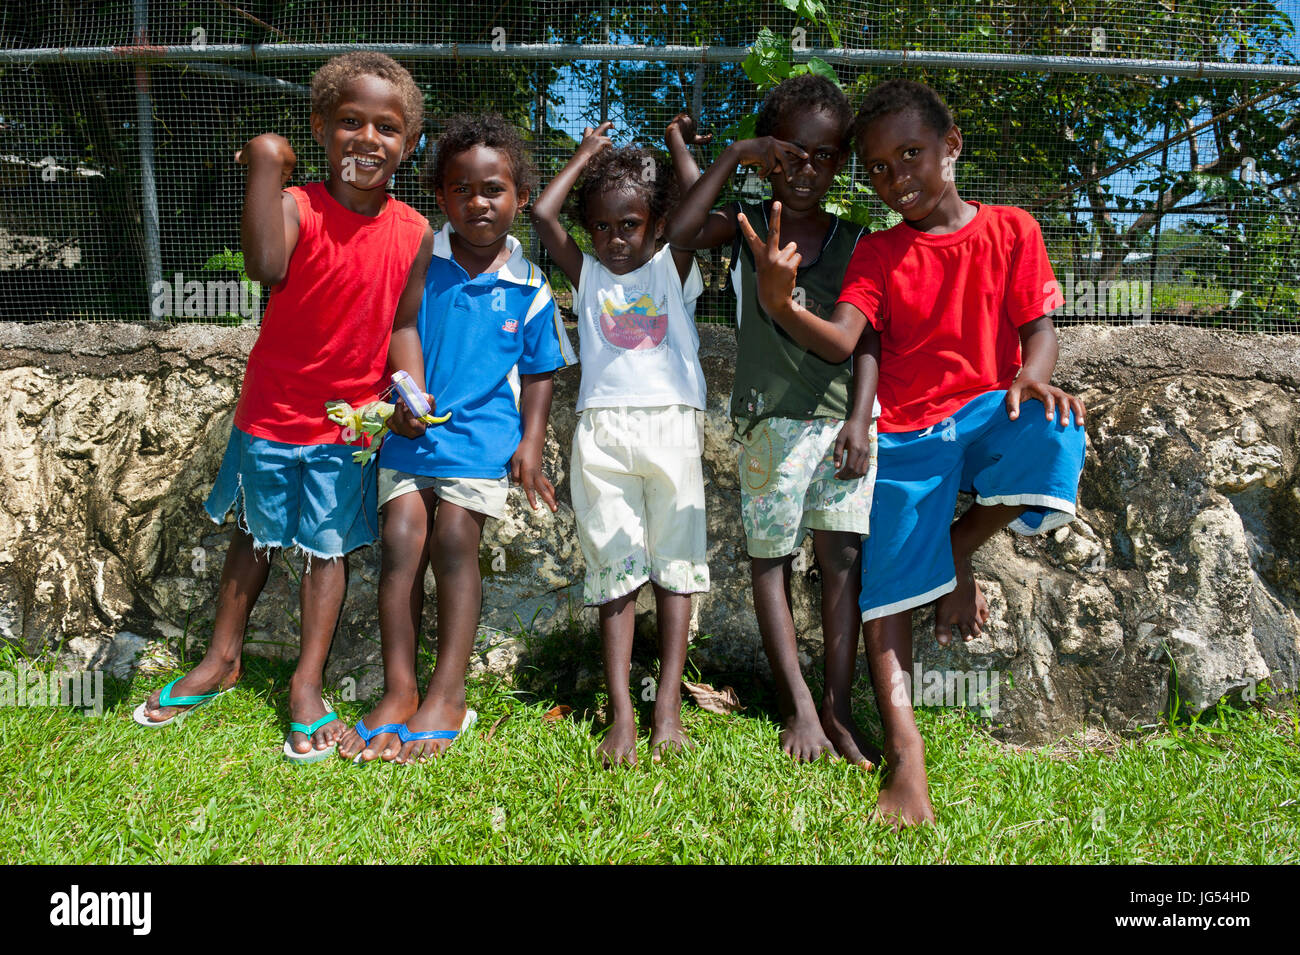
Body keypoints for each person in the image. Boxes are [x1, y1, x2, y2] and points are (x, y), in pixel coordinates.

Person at [737, 78, 1087, 825]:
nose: (896, 179)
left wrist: (1034, 377)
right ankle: (906, 753)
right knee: (882, 597)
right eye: (880, 168)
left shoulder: (1014, 230)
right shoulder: (878, 253)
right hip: (901, 434)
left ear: (952, 146)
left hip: (992, 408)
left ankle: (956, 552)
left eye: (911, 155)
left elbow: (1039, 328)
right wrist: (780, 303)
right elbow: (839, 339)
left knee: (1058, 430)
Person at [133, 54, 433, 763]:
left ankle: (307, 683)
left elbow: (404, 325)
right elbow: (265, 265)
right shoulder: (298, 206)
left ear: (410, 143)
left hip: (347, 425)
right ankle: (222, 658)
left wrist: (410, 391)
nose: (368, 138)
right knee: (256, 538)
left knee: (327, 552)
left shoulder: (416, 231)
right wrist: (267, 165)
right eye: (350, 121)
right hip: (271, 412)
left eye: (387, 127)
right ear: (320, 129)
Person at [338, 114, 576, 764]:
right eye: (462, 190)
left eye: (493, 189)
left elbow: (540, 372)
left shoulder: (530, 288)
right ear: (441, 198)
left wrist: (532, 444)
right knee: (401, 539)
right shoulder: (421, 257)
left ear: (521, 197)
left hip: (479, 445)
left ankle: (448, 691)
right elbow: (400, 324)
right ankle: (399, 690)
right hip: (411, 436)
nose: (479, 202)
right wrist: (406, 393)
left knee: (452, 538)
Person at [666, 75, 880, 765]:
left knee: (842, 562)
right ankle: (798, 705)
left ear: (842, 161)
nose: (806, 169)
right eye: (789, 152)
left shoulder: (858, 241)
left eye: (824, 155)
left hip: (840, 425)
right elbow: (679, 233)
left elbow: (863, 341)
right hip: (767, 427)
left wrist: (859, 419)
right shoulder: (748, 225)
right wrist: (734, 155)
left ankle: (840, 708)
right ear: (769, 151)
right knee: (771, 563)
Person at [527, 115, 712, 767]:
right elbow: (545, 212)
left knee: (675, 570)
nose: (612, 239)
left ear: (656, 224)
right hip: (602, 434)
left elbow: (699, 200)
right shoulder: (589, 275)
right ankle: (621, 712)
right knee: (615, 575)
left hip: (670, 427)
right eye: (601, 226)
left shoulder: (672, 265)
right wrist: (584, 155)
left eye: (628, 224)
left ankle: (667, 705)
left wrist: (677, 145)